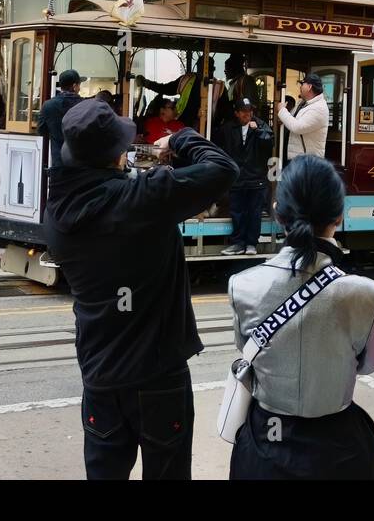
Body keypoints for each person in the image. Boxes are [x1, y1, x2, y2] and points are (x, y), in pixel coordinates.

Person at [44, 100, 239, 480]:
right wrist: (180, 139)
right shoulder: (143, 200)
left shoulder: (58, 211)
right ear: (118, 155)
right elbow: (222, 169)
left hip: (100, 376)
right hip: (158, 377)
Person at [227, 155, 374, 479]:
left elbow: (248, 352)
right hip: (340, 447)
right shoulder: (367, 293)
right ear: (339, 216)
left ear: (278, 212)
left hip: (265, 447)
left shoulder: (242, 285)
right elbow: (371, 364)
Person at [218, 99, 274, 257]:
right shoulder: (228, 128)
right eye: (243, 111)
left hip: (256, 178)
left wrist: (256, 131)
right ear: (236, 113)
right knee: (237, 212)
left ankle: (251, 243)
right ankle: (238, 243)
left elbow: (269, 144)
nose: (247, 114)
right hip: (236, 177)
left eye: (250, 110)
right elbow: (221, 148)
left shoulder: (261, 125)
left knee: (254, 212)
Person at [276, 73, 330, 164]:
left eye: (302, 84)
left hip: (307, 162)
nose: (300, 87)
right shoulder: (304, 103)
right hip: (298, 158)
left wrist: (282, 111)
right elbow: (292, 119)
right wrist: (283, 119)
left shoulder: (319, 108)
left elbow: (298, 127)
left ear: (309, 87)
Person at [39, 70, 87, 167]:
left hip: (58, 161)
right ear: (74, 86)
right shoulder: (86, 105)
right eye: (79, 85)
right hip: (81, 163)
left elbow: (41, 130)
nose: (79, 88)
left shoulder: (48, 105)